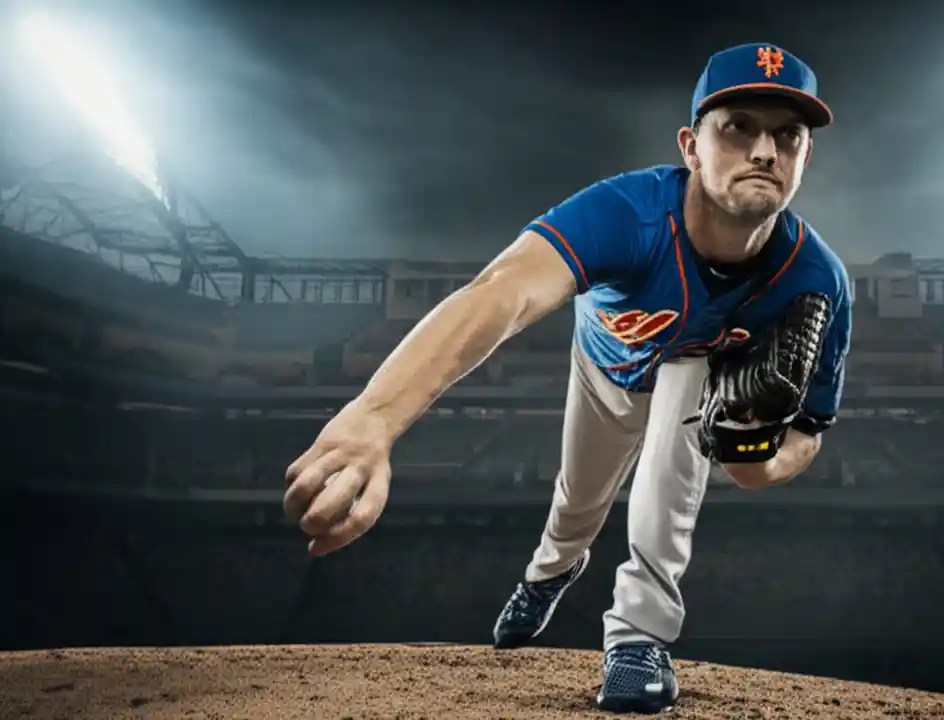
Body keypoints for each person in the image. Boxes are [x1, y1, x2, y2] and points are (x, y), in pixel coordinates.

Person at [282, 42, 852, 714]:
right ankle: (550, 572)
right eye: (737, 127)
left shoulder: (818, 280)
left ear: (805, 156)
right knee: (576, 503)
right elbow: (501, 293)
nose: (765, 151)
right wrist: (377, 415)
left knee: (681, 423)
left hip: (691, 375)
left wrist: (750, 455)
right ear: (691, 147)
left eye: (788, 135)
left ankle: (639, 638)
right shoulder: (628, 213)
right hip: (604, 369)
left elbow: (808, 437)